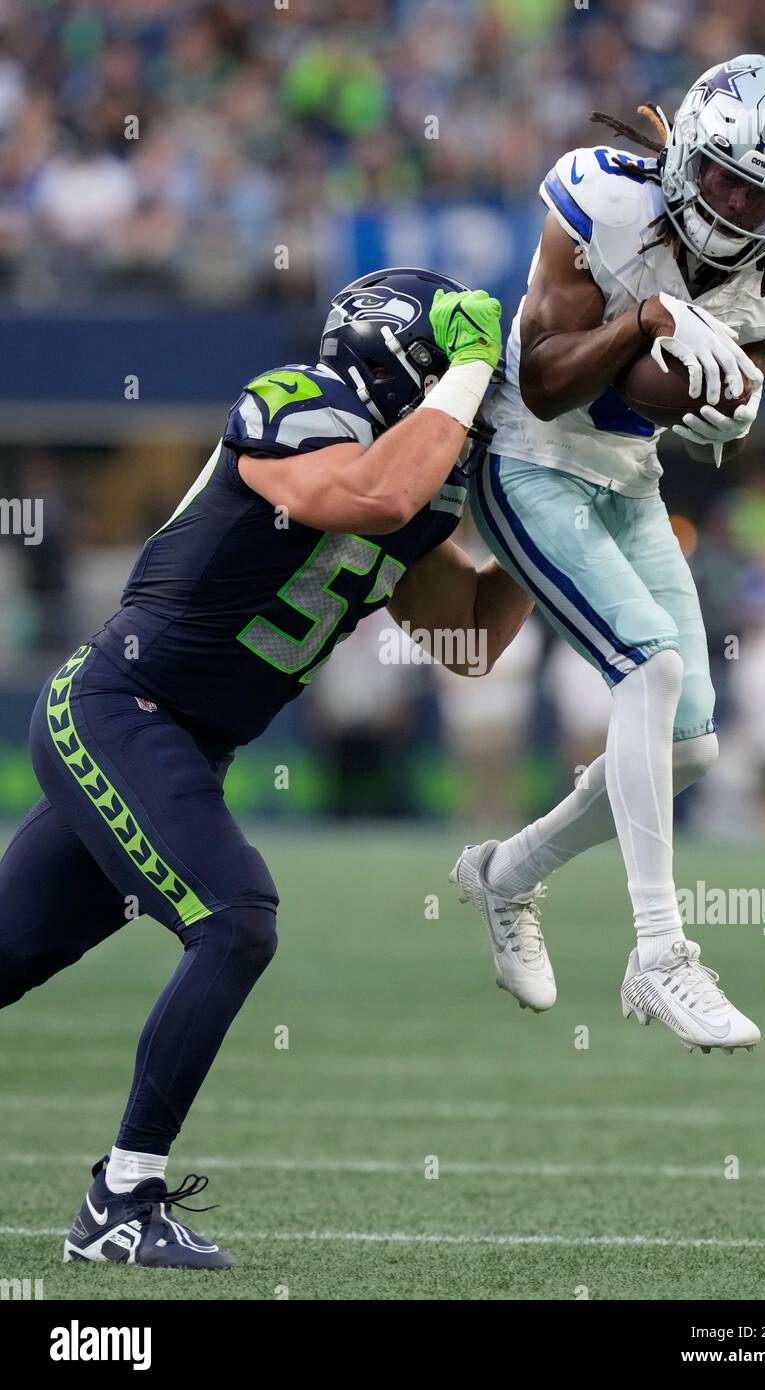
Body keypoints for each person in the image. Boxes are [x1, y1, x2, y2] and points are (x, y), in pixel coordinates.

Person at [0, 268, 532, 1268]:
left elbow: (464, 640)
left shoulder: (413, 485)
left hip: (184, 741)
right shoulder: (296, 399)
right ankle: (122, 1197)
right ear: (412, 355)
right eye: (464, 362)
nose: (479, 389)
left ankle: (120, 1201)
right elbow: (371, 493)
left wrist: (555, 540)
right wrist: (463, 375)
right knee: (236, 918)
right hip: (118, 703)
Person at [451, 56, 765, 1051]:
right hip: (522, 456)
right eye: (724, 180)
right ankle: (660, 952)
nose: (739, 206)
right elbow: (543, 382)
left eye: (763, 195)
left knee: (689, 747)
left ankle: (505, 874)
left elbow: (704, 389)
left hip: (629, 479)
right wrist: (643, 314)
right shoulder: (599, 196)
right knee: (652, 661)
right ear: (684, 153)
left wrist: (733, 406)